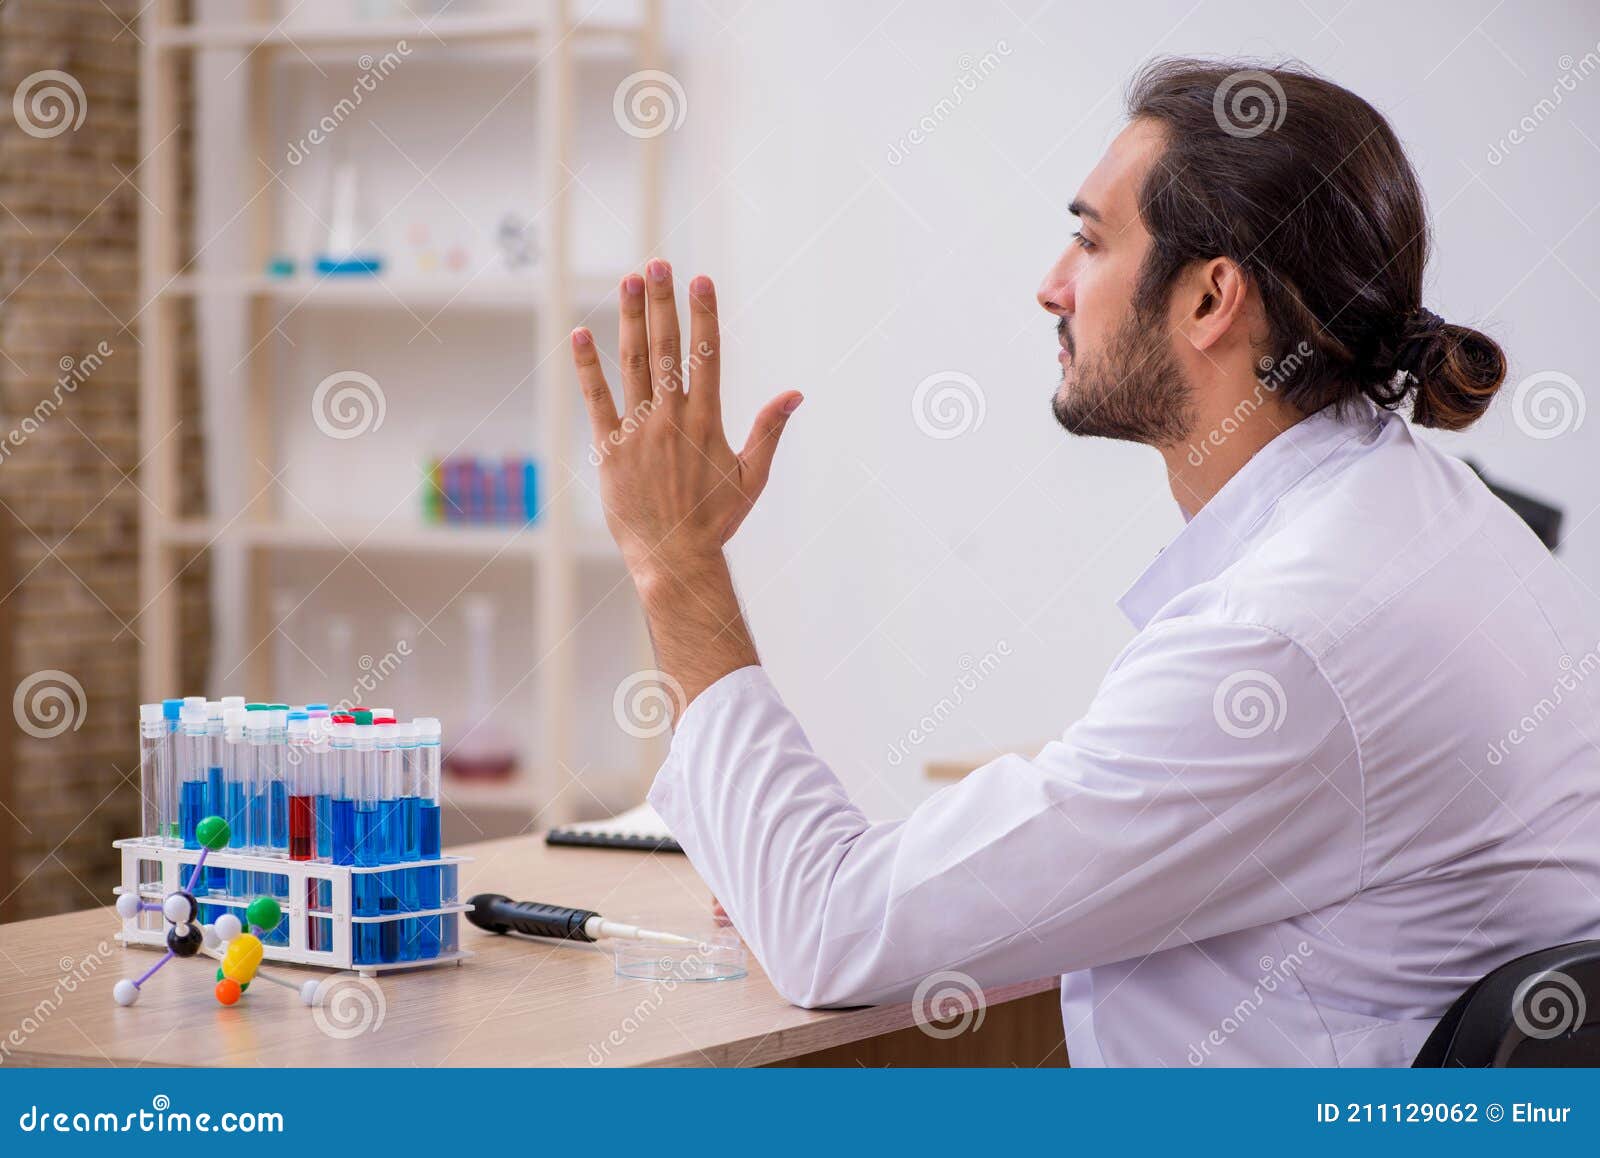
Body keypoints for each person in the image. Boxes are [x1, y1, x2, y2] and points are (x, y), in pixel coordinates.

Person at [567, 58, 1600, 1066]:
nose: (1051, 288)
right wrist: (868, 885)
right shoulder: (1436, 518)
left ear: (1209, 300)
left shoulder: (1284, 639)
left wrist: (676, 561)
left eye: (1089, 241)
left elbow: (828, 932)